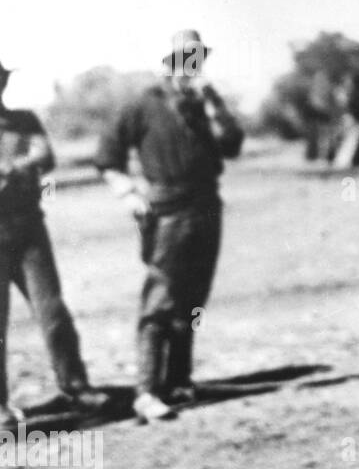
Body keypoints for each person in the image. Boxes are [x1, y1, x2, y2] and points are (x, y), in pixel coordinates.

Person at [93, 30, 244, 424]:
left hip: (206, 205)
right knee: (161, 300)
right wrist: (128, 192)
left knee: (195, 300)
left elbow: (232, 145)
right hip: (167, 211)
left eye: (196, 58)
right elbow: (107, 156)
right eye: (183, 58)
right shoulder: (145, 103)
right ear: (170, 62)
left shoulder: (204, 104)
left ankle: (179, 381)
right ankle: (145, 392)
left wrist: (213, 103)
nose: (190, 66)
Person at [0, 62, 109, 430]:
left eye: (1, 79)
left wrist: (12, 166)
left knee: (53, 311)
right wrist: (18, 165)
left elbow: (45, 157)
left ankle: (76, 387)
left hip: (30, 230)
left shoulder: (24, 120)